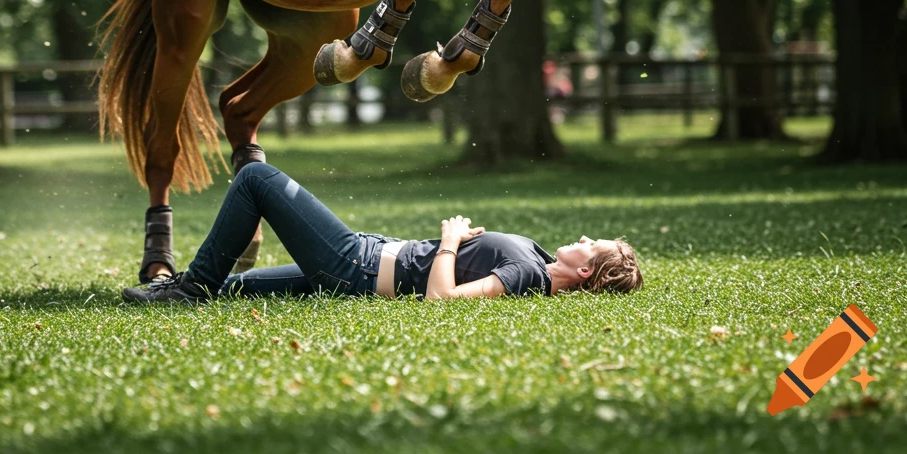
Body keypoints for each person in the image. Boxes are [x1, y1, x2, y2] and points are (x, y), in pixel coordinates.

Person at [122, 161, 643, 305]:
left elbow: (443, 299)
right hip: (364, 257)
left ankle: (190, 287)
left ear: (585, 271)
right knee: (233, 289)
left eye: (590, 245)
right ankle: (189, 287)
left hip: (355, 266)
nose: (582, 237)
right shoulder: (535, 256)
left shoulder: (529, 274)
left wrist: (449, 240)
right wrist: (466, 244)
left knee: (257, 178)